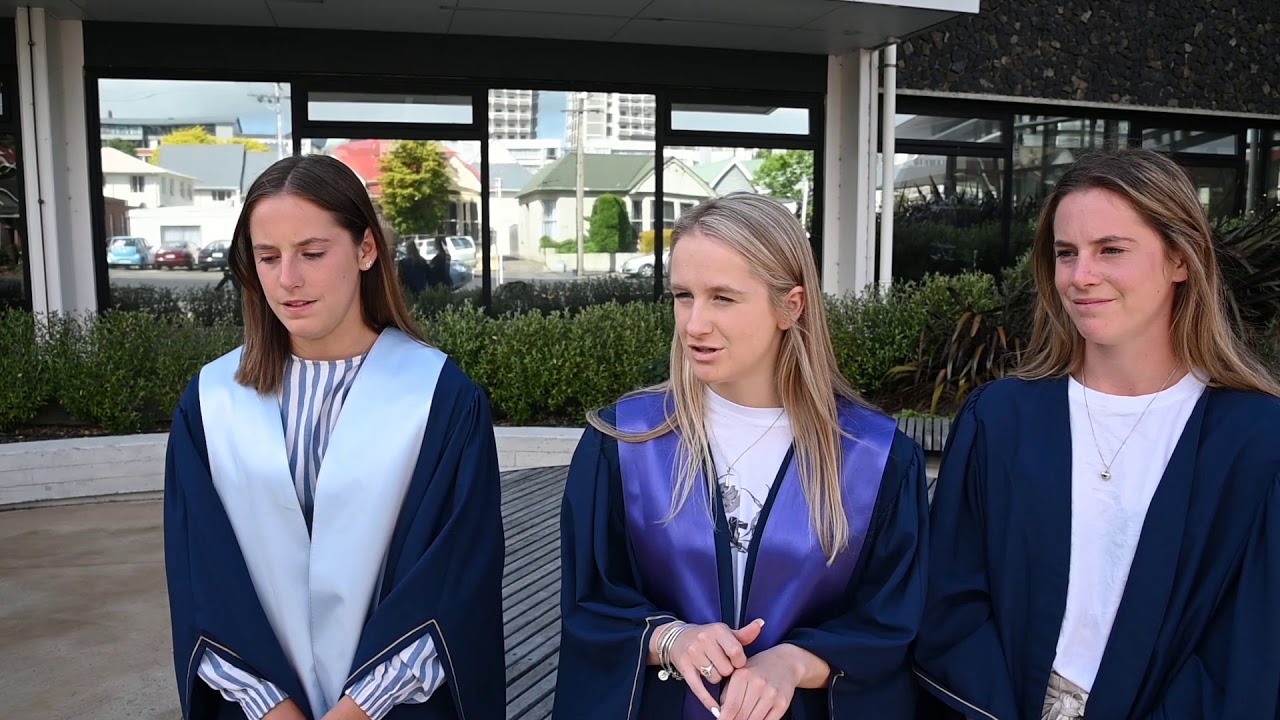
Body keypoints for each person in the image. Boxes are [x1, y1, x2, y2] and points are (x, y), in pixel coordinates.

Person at [913, 148, 1280, 720]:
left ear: (1180, 259)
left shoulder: (1255, 442)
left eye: (1111, 250)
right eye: (1066, 254)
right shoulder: (1002, 421)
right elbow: (952, 602)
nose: (1081, 277)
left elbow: (1251, 640)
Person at [553, 192, 929, 720]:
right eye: (684, 295)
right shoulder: (626, 441)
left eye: (723, 298)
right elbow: (591, 599)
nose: (694, 324)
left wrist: (794, 662)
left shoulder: (872, 457)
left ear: (790, 306)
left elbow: (892, 621)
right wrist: (671, 638)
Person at [163, 154, 505, 720]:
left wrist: (356, 710)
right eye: (268, 257)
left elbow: (451, 580)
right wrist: (272, 707)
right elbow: (205, 579)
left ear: (366, 249)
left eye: (312, 253)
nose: (287, 279)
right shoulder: (212, 403)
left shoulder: (439, 399)